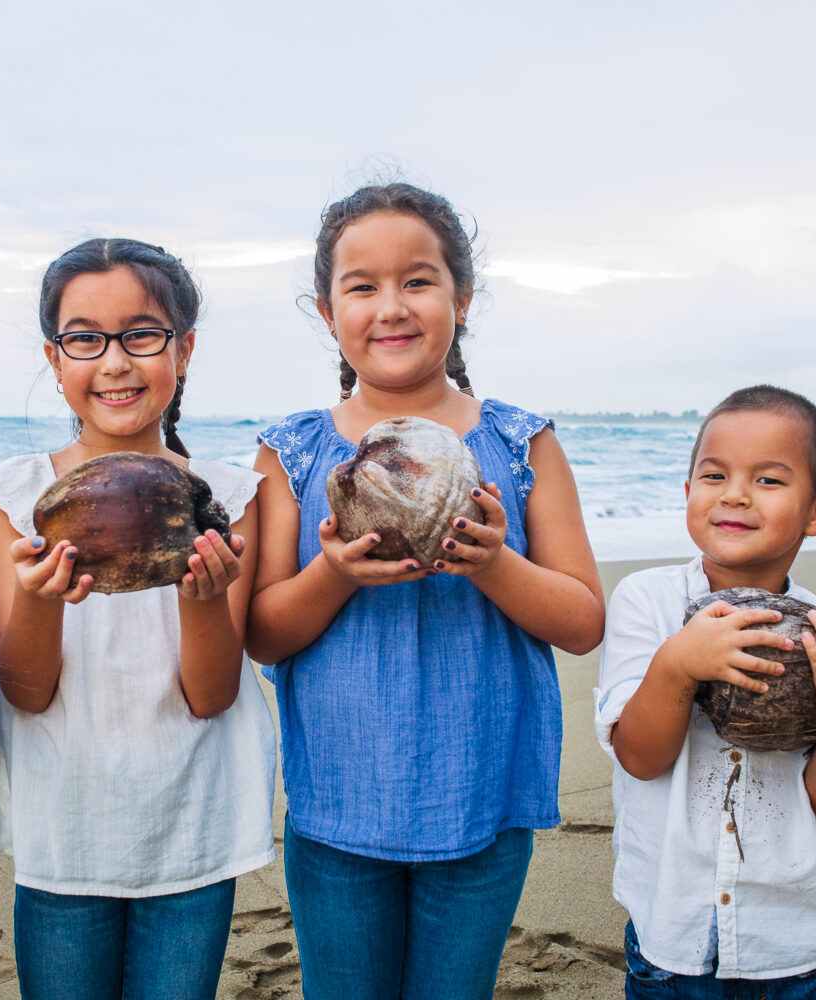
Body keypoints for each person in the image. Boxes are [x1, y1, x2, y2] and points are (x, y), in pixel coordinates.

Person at [247, 182, 606, 1000]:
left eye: (418, 280)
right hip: (338, 806)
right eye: (362, 286)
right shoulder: (292, 453)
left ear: (463, 299)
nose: (391, 306)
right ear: (326, 310)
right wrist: (333, 573)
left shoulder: (520, 445)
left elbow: (583, 620)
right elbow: (263, 634)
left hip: (481, 801)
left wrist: (494, 563)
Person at [0, 238, 276, 1000]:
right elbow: (27, 691)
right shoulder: (13, 496)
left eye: (142, 335)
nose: (114, 362)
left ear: (185, 347)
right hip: (66, 825)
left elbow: (211, 696)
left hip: (191, 818)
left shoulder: (232, 496)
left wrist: (202, 598)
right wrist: (41, 599)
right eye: (85, 339)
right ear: (55, 356)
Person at [594, 384, 816, 998]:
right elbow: (640, 757)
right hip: (673, 943)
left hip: (801, 946)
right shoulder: (648, 603)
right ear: (687, 492)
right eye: (714, 475)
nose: (734, 494)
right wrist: (679, 664)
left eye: (770, 481)